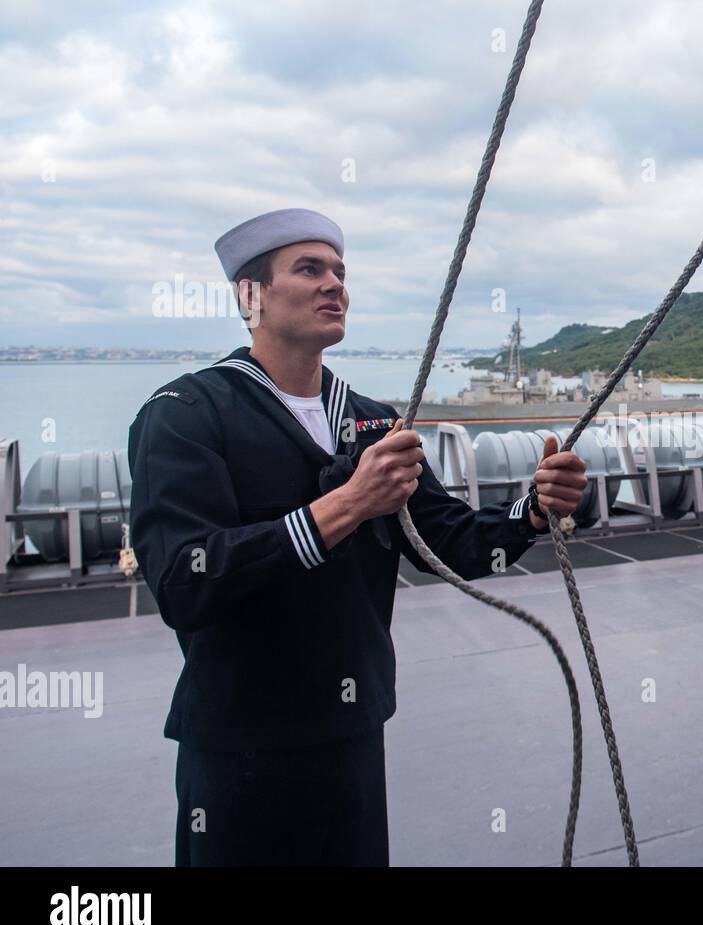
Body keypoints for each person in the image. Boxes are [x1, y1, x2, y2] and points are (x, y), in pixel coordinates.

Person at [127, 208, 589, 866]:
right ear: (250, 295)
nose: (334, 284)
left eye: (340, 272)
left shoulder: (372, 421)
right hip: (240, 743)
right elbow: (184, 580)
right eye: (309, 269)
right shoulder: (184, 417)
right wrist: (345, 505)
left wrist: (533, 513)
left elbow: (448, 541)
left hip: (351, 729)